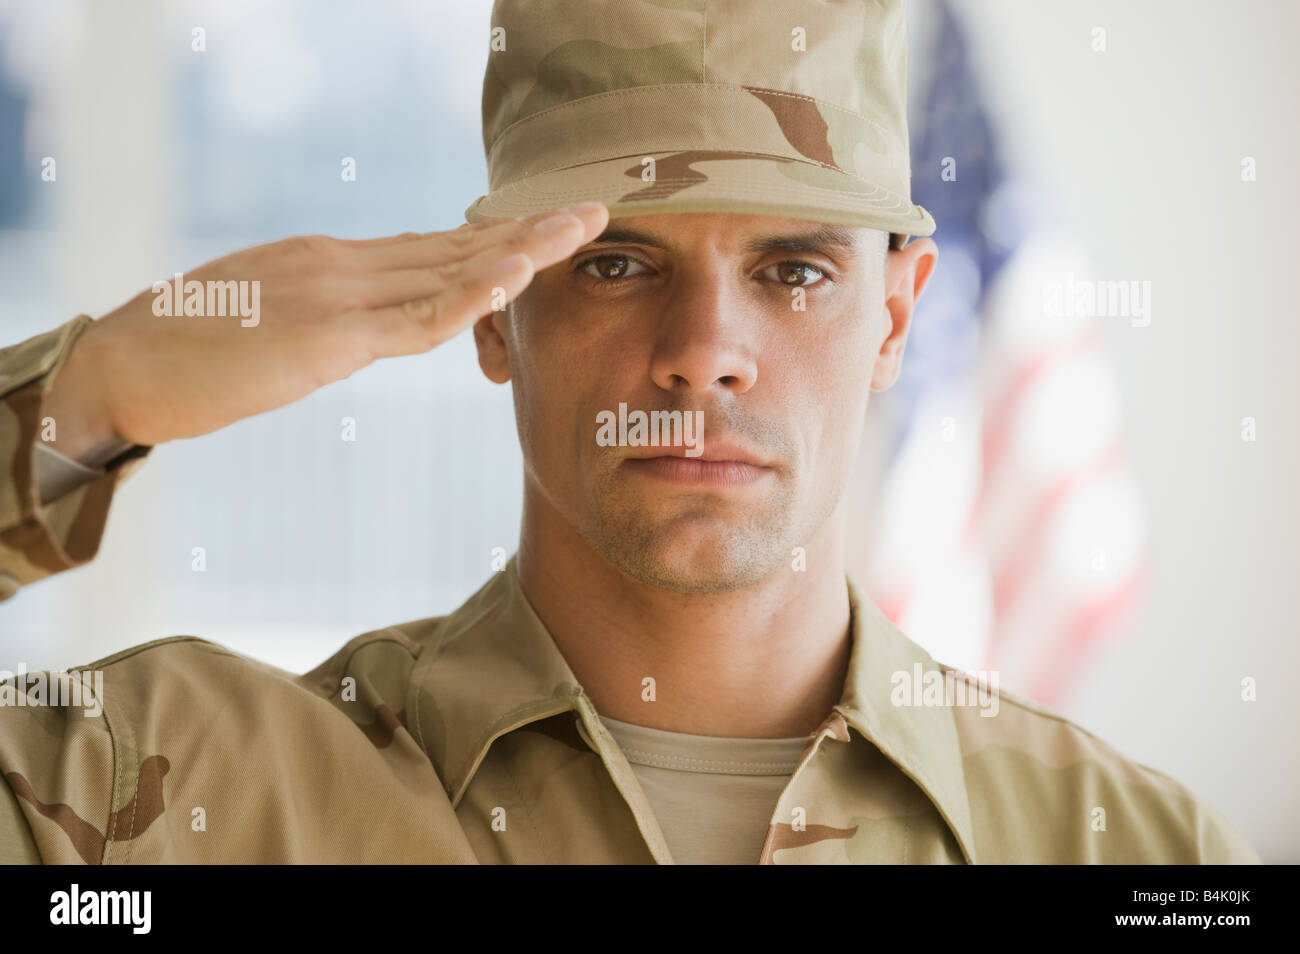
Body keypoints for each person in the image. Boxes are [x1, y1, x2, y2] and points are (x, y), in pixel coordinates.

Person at [0, 0, 1258, 864]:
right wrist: (96, 388)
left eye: (794, 270)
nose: (702, 347)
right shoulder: (160, 793)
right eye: (613, 261)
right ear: (495, 312)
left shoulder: (1132, 851)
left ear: (894, 317)